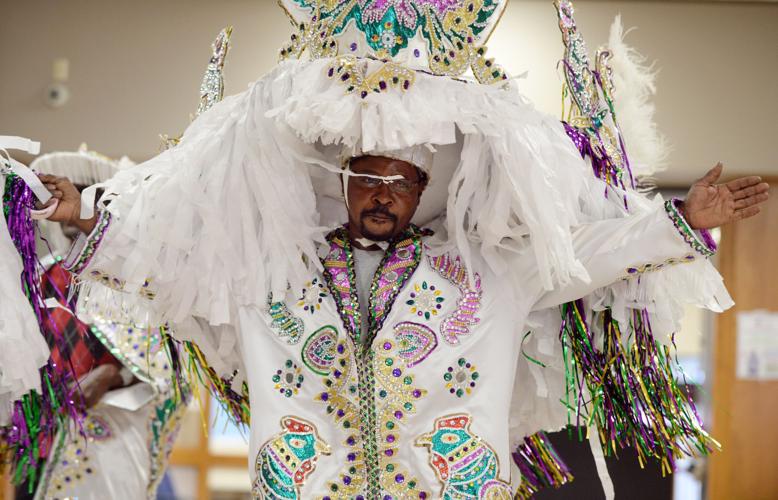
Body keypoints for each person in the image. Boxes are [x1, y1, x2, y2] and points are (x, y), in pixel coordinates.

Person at [15, 0, 774, 498]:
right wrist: (87, 215)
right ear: (343, 181)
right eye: (366, 176)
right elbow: (174, 263)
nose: (381, 192)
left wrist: (681, 217)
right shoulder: (277, 271)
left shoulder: (486, 269)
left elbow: (589, 253)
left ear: (422, 190)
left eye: (399, 180)